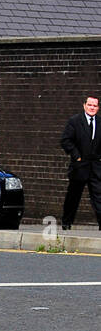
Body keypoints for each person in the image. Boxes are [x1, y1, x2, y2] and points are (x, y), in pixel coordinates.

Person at [59, 94, 101, 230]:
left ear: (98, 108)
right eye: (89, 105)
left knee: (98, 196)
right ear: (84, 105)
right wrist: (77, 156)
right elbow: (65, 140)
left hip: (95, 167)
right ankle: (66, 222)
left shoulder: (100, 122)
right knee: (73, 196)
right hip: (79, 166)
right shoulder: (75, 121)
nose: (92, 108)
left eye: (95, 105)